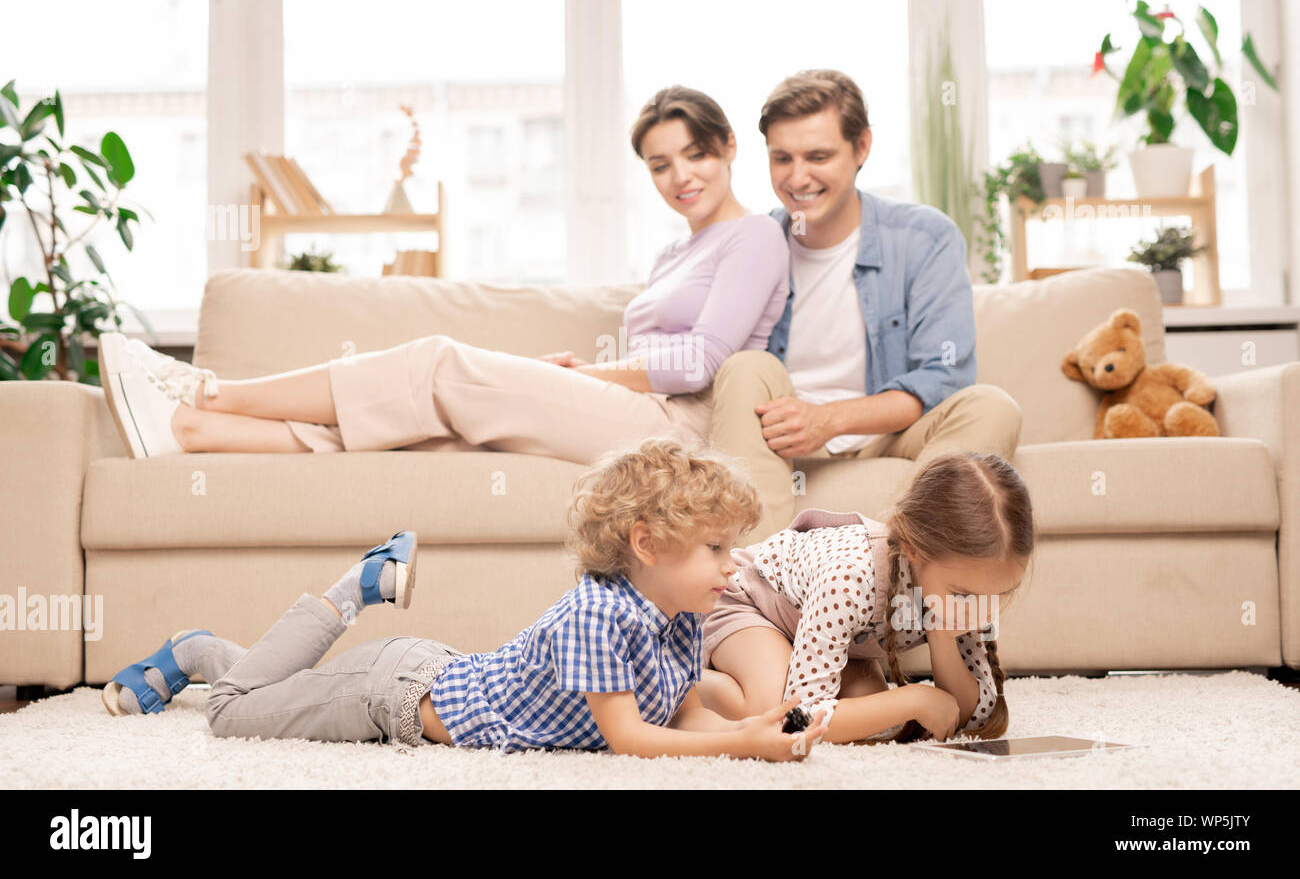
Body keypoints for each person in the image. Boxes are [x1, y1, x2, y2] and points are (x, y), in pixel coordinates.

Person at [98, 86, 789, 466]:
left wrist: (587, 375)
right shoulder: (674, 255)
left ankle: (211, 393)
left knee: (437, 365)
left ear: (729, 148)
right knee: (426, 419)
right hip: (638, 409)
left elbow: (701, 361)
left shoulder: (754, 236)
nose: (680, 177)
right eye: (661, 164)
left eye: (694, 154)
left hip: (679, 431)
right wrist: (587, 372)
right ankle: (192, 433)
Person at [101, 437, 828, 761]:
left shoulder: (676, 618)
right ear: (646, 545)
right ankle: (216, 644)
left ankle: (219, 657)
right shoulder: (599, 613)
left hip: (428, 675)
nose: (734, 567)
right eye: (716, 550)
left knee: (281, 692)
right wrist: (745, 746)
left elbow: (682, 714)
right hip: (385, 696)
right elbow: (629, 740)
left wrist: (752, 726)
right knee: (232, 717)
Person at [708, 69, 1023, 542]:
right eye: (782, 158)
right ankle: (755, 594)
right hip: (778, 445)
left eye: (819, 156)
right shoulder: (753, 243)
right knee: (746, 365)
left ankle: (903, 560)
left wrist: (829, 420)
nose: (798, 178)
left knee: (992, 406)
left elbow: (945, 375)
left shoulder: (923, 238)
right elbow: (697, 350)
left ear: (861, 148)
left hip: (887, 437)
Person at [696, 451, 1035, 744]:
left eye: (1001, 594)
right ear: (913, 550)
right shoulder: (850, 577)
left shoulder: (966, 593)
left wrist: (941, 635)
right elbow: (803, 716)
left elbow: (972, 715)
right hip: (749, 604)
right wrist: (913, 698)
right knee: (775, 713)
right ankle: (677, 683)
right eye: (963, 596)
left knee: (873, 713)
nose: (978, 612)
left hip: (818, 634)